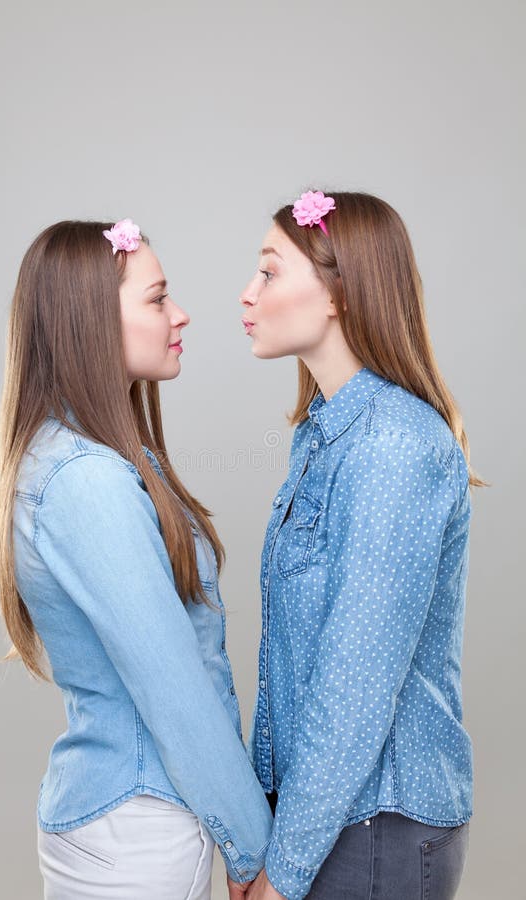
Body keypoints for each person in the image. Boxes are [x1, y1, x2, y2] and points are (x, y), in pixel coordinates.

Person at [0, 218, 272, 899]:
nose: (181, 315)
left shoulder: (95, 458)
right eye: (156, 299)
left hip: (127, 821)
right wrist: (254, 853)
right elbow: (173, 687)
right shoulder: (85, 480)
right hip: (136, 829)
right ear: (91, 323)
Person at [238, 191, 478, 900]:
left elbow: (354, 687)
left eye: (269, 272)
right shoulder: (322, 432)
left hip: (377, 829)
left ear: (338, 291)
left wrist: (281, 874)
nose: (247, 294)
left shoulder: (394, 445)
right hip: (327, 821)